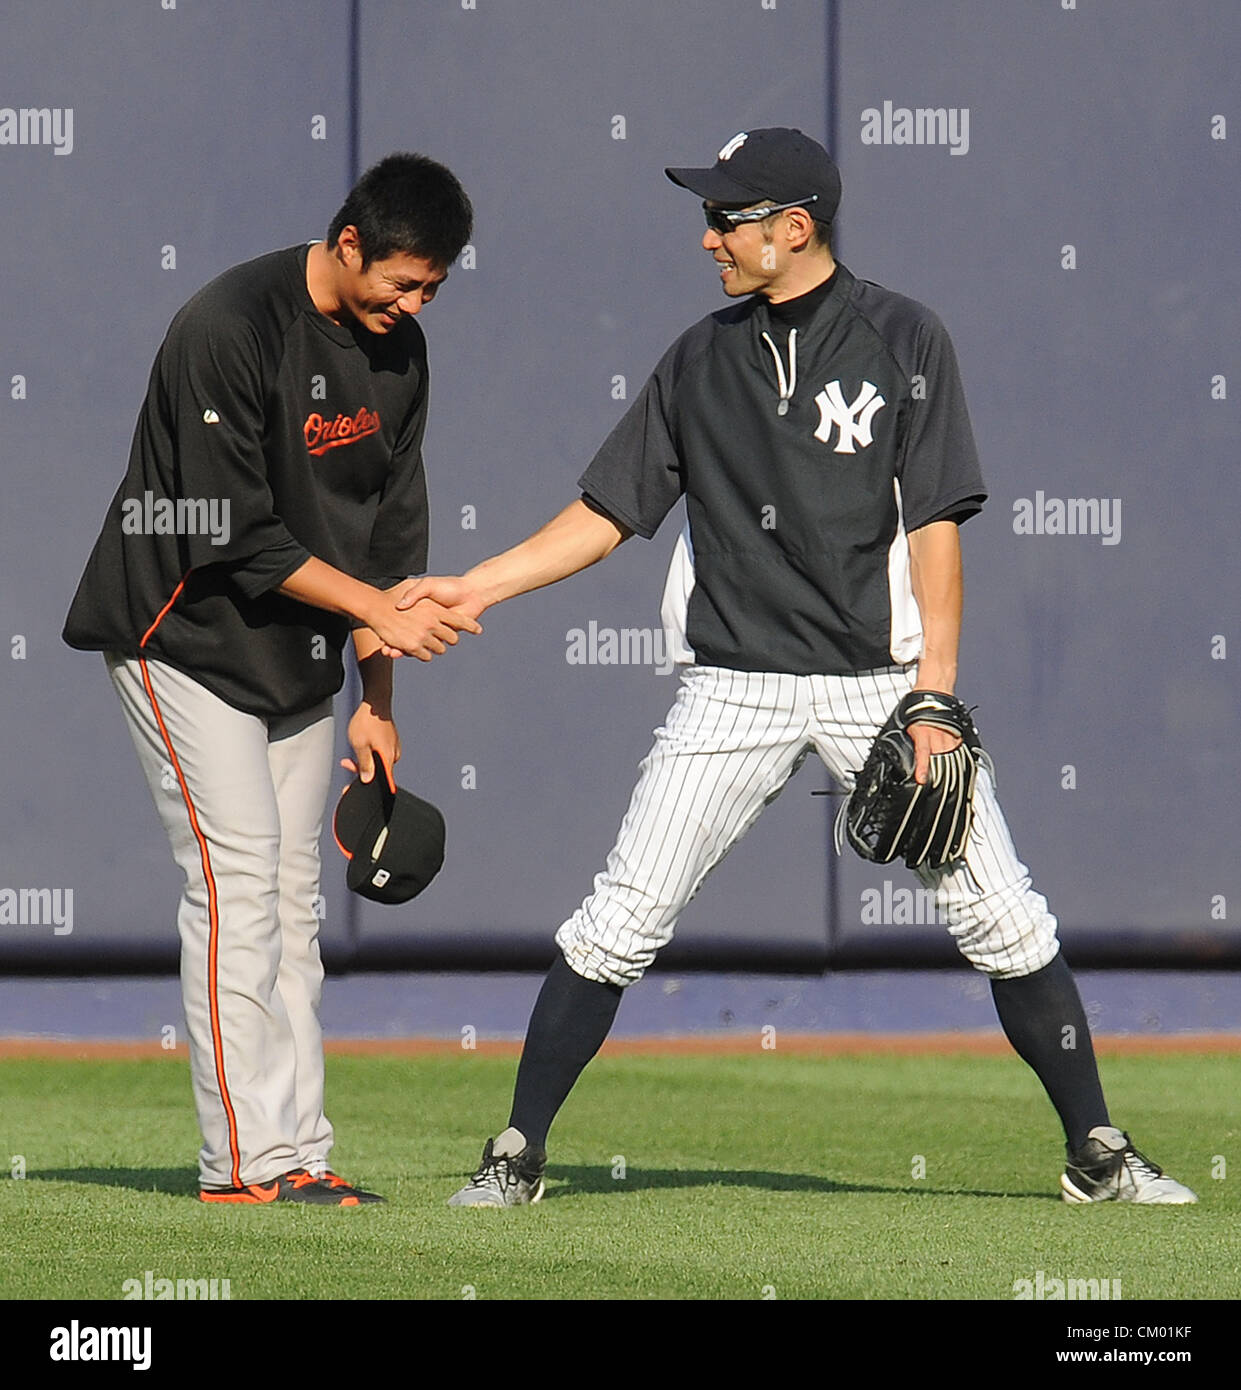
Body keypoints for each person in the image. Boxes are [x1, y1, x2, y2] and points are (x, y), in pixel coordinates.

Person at [397, 128, 1196, 1209]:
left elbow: (936, 530)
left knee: (1004, 918)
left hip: (881, 680)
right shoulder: (698, 356)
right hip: (733, 685)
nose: (707, 237)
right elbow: (606, 513)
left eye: (726, 218)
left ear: (793, 228)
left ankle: (1095, 1152)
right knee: (617, 918)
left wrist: (933, 697)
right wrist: (476, 586)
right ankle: (515, 1153)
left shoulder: (903, 337)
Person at [63, 152, 480, 1204]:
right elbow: (229, 534)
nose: (414, 300)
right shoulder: (229, 325)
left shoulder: (401, 356)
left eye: (432, 284)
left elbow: (391, 544)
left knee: (293, 907)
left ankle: (299, 1152)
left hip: (297, 654)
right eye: (401, 278)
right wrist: (374, 612)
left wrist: (378, 707)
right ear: (349, 244)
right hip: (179, 633)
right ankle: (241, 1165)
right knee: (237, 886)